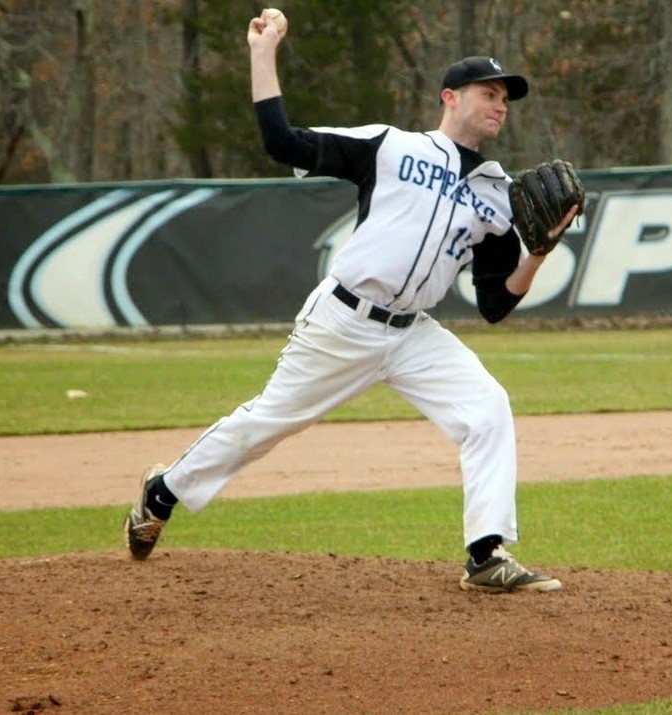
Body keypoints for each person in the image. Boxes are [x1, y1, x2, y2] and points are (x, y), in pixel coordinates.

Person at [123, 9, 578, 593]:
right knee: (266, 424)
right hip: (344, 319)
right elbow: (281, 141)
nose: (499, 104)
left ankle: (486, 555)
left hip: (412, 334)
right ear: (450, 98)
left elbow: (494, 303)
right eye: (487, 93)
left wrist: (537, 253)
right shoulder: (389, 147)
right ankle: (163, 491)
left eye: (505, 98)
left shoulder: (497, 195)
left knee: (487, 406)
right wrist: (263, 54)